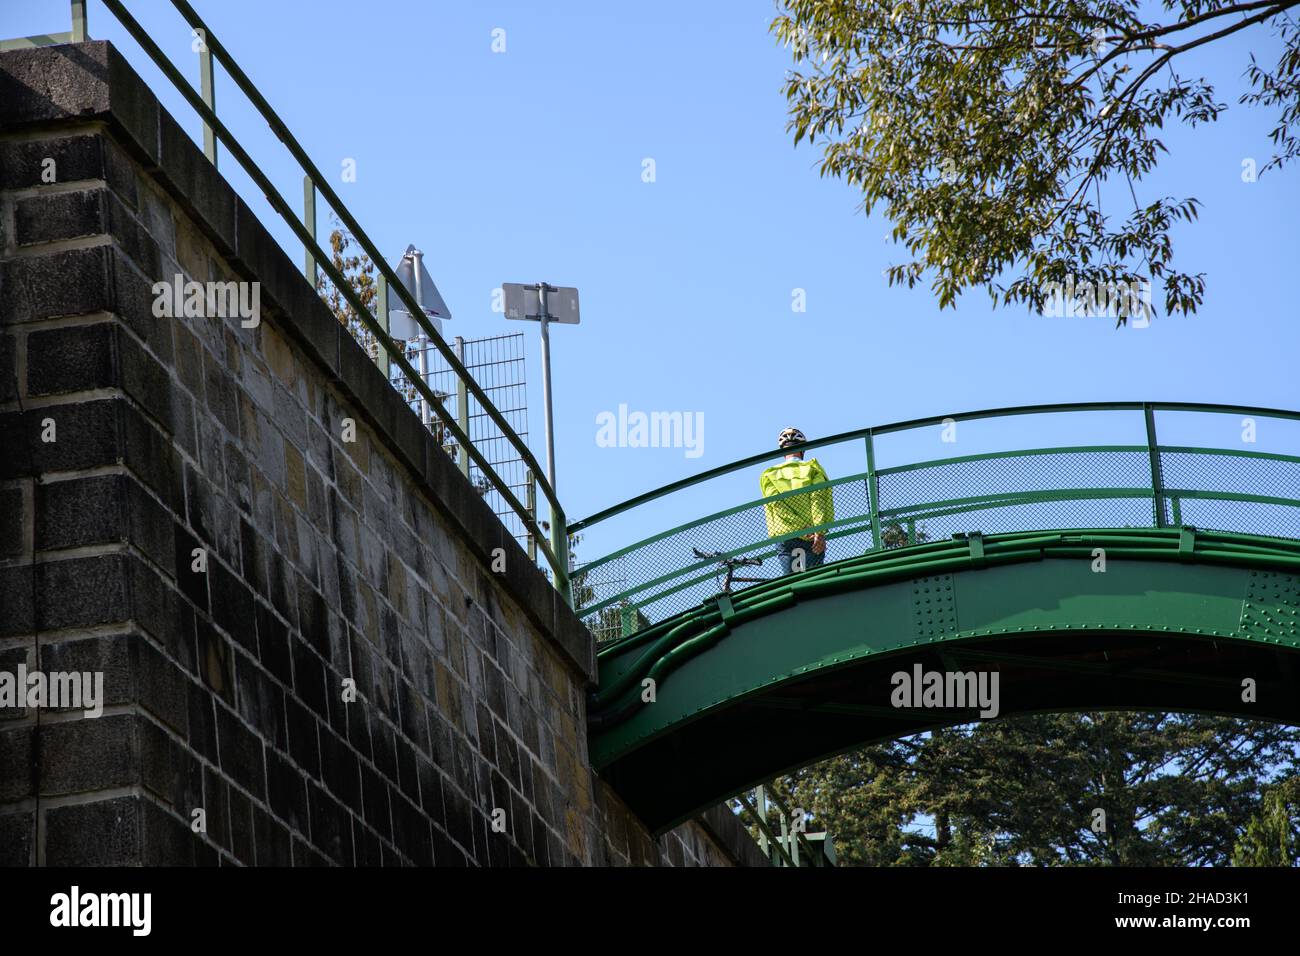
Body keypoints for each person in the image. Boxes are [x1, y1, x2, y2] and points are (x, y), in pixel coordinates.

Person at [760, 427, 834, 575]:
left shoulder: (769, 475)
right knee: (815, 581)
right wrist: (817, 532)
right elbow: (817, 501)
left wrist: (798, 527)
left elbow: (777, 505)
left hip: (786, 535)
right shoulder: (813, 469)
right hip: (813, 536)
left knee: (793, 582)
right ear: (803, 450)